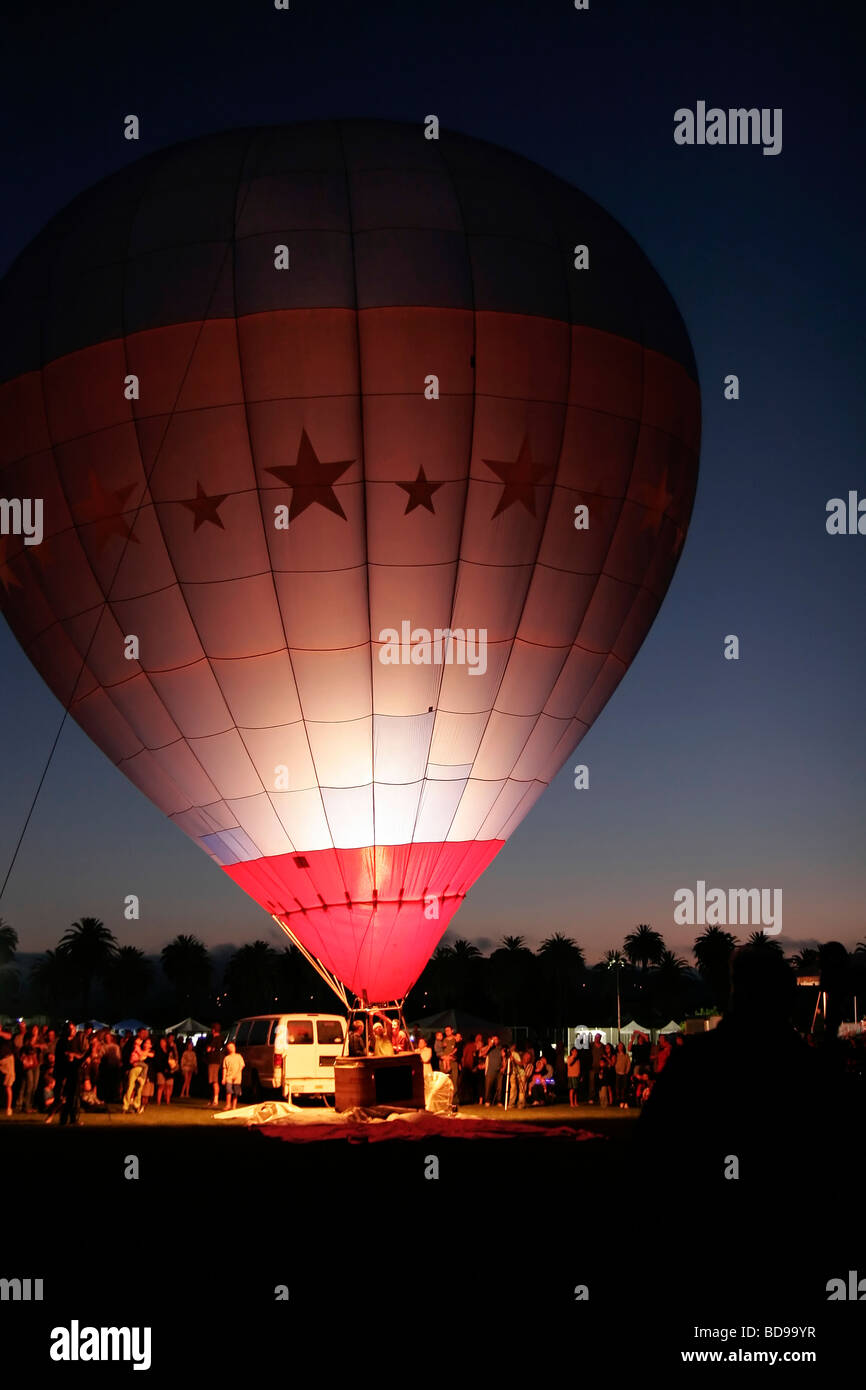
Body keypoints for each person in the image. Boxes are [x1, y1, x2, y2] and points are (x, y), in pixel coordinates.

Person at [221, 1041, 245, 1110]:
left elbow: (241, 1066)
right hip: (229, 1077)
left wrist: (236, 1074)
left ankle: (234, 1106)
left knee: (236, 1092)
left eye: (232, 1047)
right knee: (228, 1090)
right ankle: (228, 1104)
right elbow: (224, 1068)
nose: (231, 1048)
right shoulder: (226, 1058)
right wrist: (223, 1078)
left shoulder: (239, 1056)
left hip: (237, 1077)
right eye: (229, 1047)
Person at [205, 1024, 223, 1107]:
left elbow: (208, 1049)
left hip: (213, 1062)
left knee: (214, 1081)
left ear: (213, 1030)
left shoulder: (215, 1039)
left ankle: (215, 1100)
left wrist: (210, 1049)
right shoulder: (221, 1038)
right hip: (217, 1061)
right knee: (213, 1081)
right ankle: (213, 1099)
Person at [482, 1034, 502, 1106]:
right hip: (490, 1070)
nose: (494, 1041)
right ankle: (487, 1101)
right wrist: (489, 1046)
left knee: (499, 1087)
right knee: (488, 1087)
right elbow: (482, 1054)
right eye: (493, 1040)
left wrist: (503, 1067)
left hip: (499, 1071)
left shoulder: (500, 1048)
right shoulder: (489, 1048)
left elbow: (503, 1058)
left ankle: (499, 1101)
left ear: (498, 1040)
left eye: (496, 1039)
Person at [0, 1022, 16, 1116]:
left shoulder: (5, 1032)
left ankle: (8, 1108)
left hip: (7, 1060)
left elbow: (9, 1036)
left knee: (8, 1085)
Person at [614, 1041, 631, 1108]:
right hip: (617, 1073)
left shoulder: (626, 1055)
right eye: (619, 1046)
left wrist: (627, 1071)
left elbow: (628, 1064)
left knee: (624, 1088)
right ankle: (618, 1101)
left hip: (624, 1073)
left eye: (621, 1046)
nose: (620, 1047)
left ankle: (623, 1101)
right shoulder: (616, 1055)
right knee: (617, 1088)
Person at [588, 1033, 603, 1104]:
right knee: (592, 1084)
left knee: (600, 1084)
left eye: (598, 1037)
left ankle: (600, 1097)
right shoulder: (591, 1045)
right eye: (596, 1037)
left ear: (600, 1038)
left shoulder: (602, 1046)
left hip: (600, 1068)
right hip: (592, 1067)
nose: (597, 1039)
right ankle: (591, 1098)